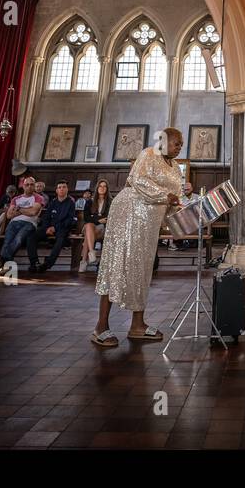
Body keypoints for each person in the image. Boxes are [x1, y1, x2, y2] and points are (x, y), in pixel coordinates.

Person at [91, 128, 185, 348]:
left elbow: (174, 199)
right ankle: (100, 327)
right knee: (117, 265)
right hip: (129, 214)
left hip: (150, 224)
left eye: (181, 144)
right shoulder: (149, 154)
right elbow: (139, 180)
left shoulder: (175, 169)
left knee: (142, 269)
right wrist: (166, 196)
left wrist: (184, 211)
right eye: (176, 142)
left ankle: (137, 325)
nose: (179, 146)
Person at [0, 177, 43, 274]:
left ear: (34, 186)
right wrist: (26, 209)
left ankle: (1, 260)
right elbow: (9, 215)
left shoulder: (38, 198)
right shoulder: (16, 199)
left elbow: (33, 212)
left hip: (29, 223)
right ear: (23, 186)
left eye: (32, 184)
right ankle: (6, 266)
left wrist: (19, 209)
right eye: (27, 184)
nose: (29, 187)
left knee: (18, 239)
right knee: (7, 242)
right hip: (14, 223)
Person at [38, 181, 78, 271]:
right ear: (56, 190)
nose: (61, 189)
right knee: (32, 235)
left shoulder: (70, 203)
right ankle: (34, 262)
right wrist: (47, 227)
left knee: (60, 240)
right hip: (49, 228)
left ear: (67, 190)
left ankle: (47, 264)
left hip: (62, 229)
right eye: (59, 187)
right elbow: (46, 217)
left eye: (64, 187)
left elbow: (70, 220)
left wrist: (55, 228)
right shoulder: (53, 202)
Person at [80, 179, 111, 273]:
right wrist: (98, 219)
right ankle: (92, 252)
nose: (102, 188)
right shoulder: (90, 202)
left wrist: (94, 217)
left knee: (87, 236)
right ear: (97, 188)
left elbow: (108, 217)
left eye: (104, 186)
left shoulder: (110, 202)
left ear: (107, 189)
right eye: (100, 186)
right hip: (90, 227)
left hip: (101, 229)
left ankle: (84, 262)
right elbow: (86, 217)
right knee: (89, 226)